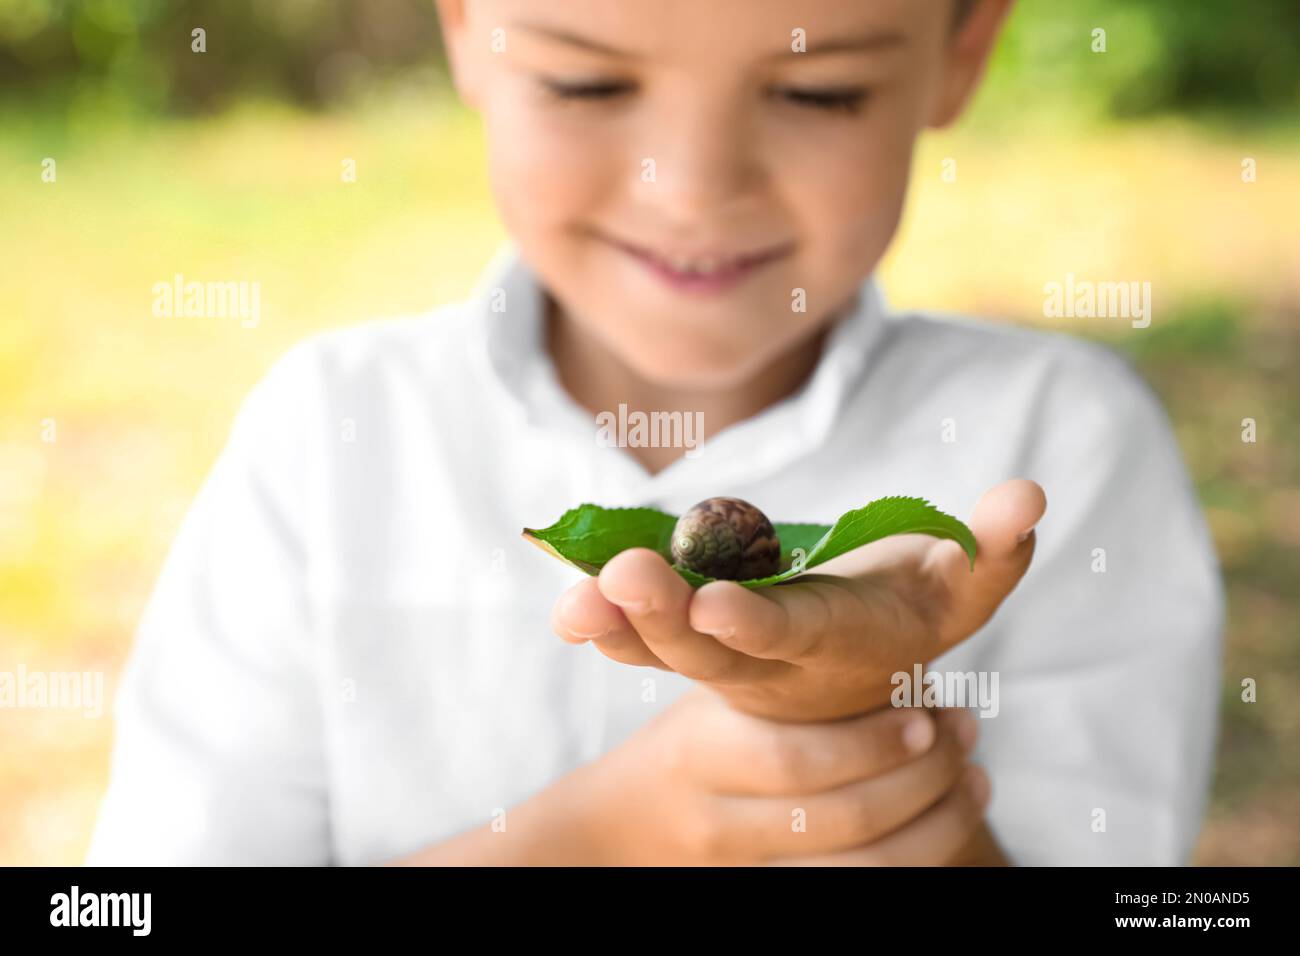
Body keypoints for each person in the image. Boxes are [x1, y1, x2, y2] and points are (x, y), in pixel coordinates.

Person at [86, 0, 1222, 866]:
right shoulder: (326, 433)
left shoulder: (1059, 446)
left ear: (963, 49)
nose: (687, 188)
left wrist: (865, 755)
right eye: (584, 83)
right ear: (466, 30)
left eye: (819, 92)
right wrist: (597, 837)